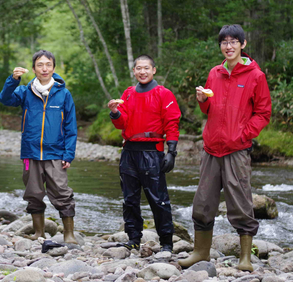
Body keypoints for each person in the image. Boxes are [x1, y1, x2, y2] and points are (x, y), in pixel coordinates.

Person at [179, 24, 271, 271]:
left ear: (243, 44)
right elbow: (209, 109)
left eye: (233, 42)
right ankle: (200, 253)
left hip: (237, 150)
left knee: (241, 204)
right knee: (203, 203)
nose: (228, 46)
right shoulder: (215, 72)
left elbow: (263, 113)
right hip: (211, 149)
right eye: (224, 42)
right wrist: (202, 102)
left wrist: (244, 134)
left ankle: (245, 258)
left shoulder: (255, 76)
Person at [0, 50, 78, 244]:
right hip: (31, 152)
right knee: (33, 193)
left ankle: (69, 235)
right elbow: (5, 99)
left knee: (62, 193)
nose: (44, 68)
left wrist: (68, 154)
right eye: (40, 65)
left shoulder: (63, 94)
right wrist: (13, 80)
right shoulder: (25, 91)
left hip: (56, 153)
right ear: (33, 68)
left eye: (48, 65)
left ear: (53, 68)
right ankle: (39, 233)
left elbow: (71, 126)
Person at [107, 54, 181, 253]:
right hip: (129, 152)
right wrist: (115, 113)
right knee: (130, 199)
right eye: (138, 68)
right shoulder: (128, 93)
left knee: (159, 200)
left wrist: (171, 152)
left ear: (154, 70)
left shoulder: (163, 93)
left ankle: (166, 242)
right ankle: (133, 239)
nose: (142, 71)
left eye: (146, 68)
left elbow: (172, 123)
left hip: (152, 153)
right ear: (134, 71)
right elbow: (122, 123)